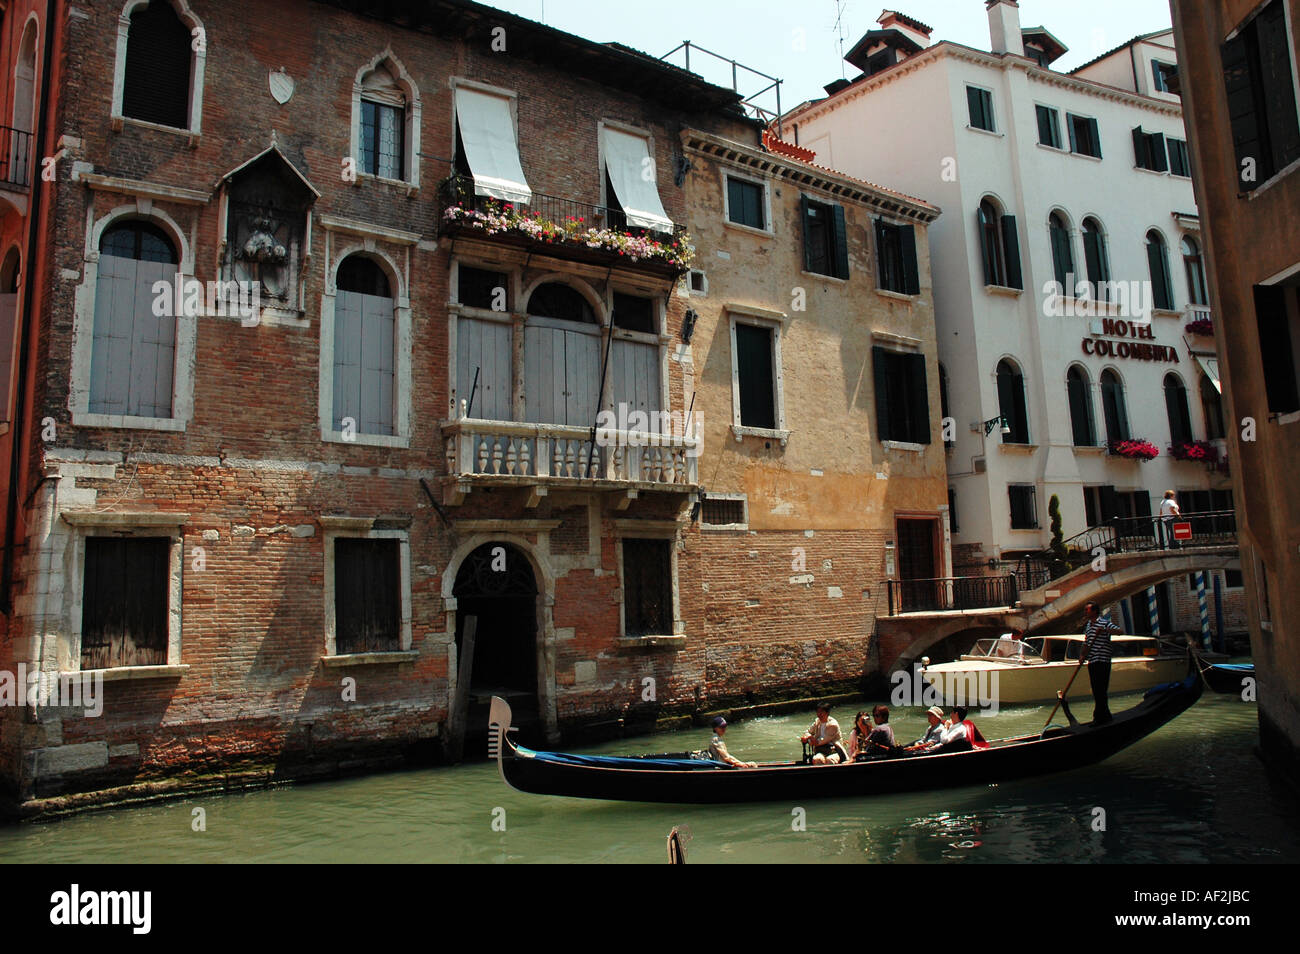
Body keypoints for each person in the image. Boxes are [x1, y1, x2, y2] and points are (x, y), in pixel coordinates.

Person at [1081, 601, 1124, 724]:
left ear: (1094, 611)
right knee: (1096, 690)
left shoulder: (1104, 623)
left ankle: (1099, 717)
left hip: (1103, 660)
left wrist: (1104, 629)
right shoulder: (1088, 625)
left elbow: (1120, 631)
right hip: (1093, 660)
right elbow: (1086, 642)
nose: (1085, 612)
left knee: (1101, 689)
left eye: (1087, 610)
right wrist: (1082, 655)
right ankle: (1105, 715)